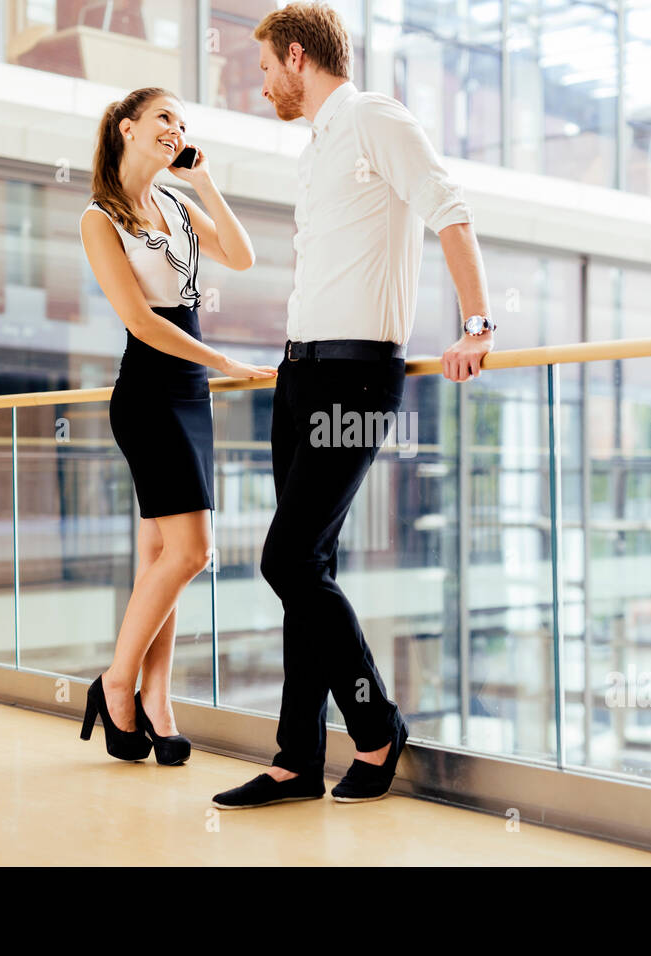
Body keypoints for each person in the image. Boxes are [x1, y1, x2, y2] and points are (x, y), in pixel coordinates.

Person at [212, 3, 496, 809]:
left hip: (358, 378)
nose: (261, 84)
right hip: (300, 375)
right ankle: (296, 759)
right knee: (311, 567)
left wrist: (475, 325)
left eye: (265, 69)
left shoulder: (375, 118)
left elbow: (450, 210)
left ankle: (376, 729)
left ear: (298, 57)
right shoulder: (319, 144)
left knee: (286, 561)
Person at [77, 86, 277, 764]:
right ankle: (116, 683)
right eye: (165, 117)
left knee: (160, 559)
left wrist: (207, 181)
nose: (176, 128)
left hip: (191, 389)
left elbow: (242, 257)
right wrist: (222, 360)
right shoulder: (100, 217)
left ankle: (155, 703)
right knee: (193, 552)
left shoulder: (176, 202)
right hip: (150, 388)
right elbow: (139, 319)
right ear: (127, 128)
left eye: (182, 122)